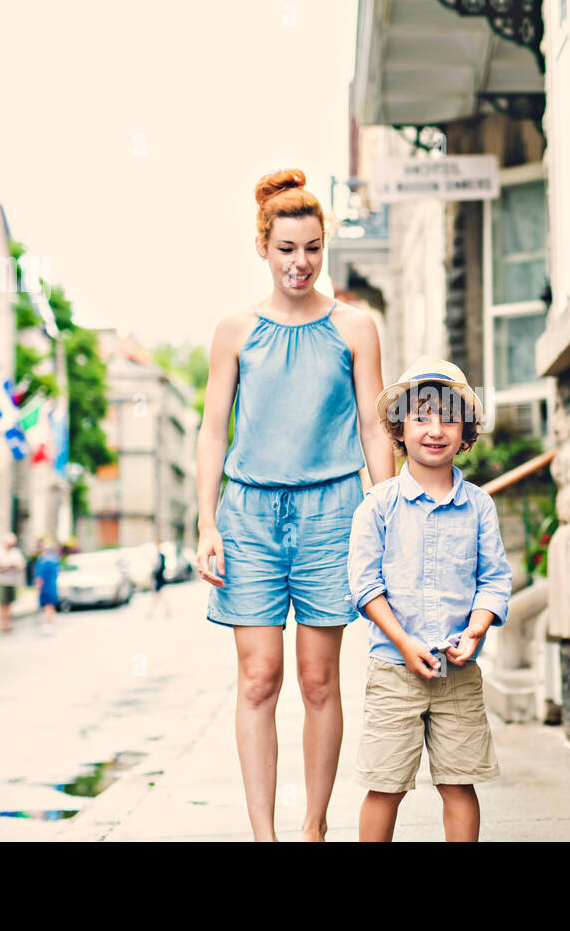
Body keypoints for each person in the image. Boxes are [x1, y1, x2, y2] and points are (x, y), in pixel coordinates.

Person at [195, 167, 395, 842]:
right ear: (263, 249)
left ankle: (313, 826)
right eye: (286, 249)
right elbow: (211, 429)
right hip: (248, 515)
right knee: (258, 677)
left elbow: (374, 427)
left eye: (312, 248)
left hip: (333, 513)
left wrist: (387, 514)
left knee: (317, 679)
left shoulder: (356, 328)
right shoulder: (233, 331)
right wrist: (204, 524)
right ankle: (265, 835)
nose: (300, 263)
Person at [347, 358, 513, 842]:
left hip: (458, 674)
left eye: (448, 417)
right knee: (384, 786)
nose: (434, 429)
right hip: (394, 669)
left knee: (459, 784)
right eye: (421, 417)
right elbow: (365, 585)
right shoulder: (378, 505)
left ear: (466, 432)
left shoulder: (479, 505)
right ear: (400, 429)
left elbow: (494, 579)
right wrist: (402, 642)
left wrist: (477, 628)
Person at [0, 532, 27, 634]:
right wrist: (6, 567)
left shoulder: (16, 552)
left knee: (10, 604)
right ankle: (3, 625)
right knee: (2, 604)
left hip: (12, 581)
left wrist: (15, 566)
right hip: (1, 581)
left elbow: (22, 566)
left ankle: (9, 624)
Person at [33, 536, 61, 636]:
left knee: (47, 606)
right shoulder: (55, 558)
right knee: (51, 605)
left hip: (46, 586)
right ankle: (51, 623)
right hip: (53, 584)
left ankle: (48, 624)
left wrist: (38, 587)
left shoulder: (43, 559)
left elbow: (40, 576)